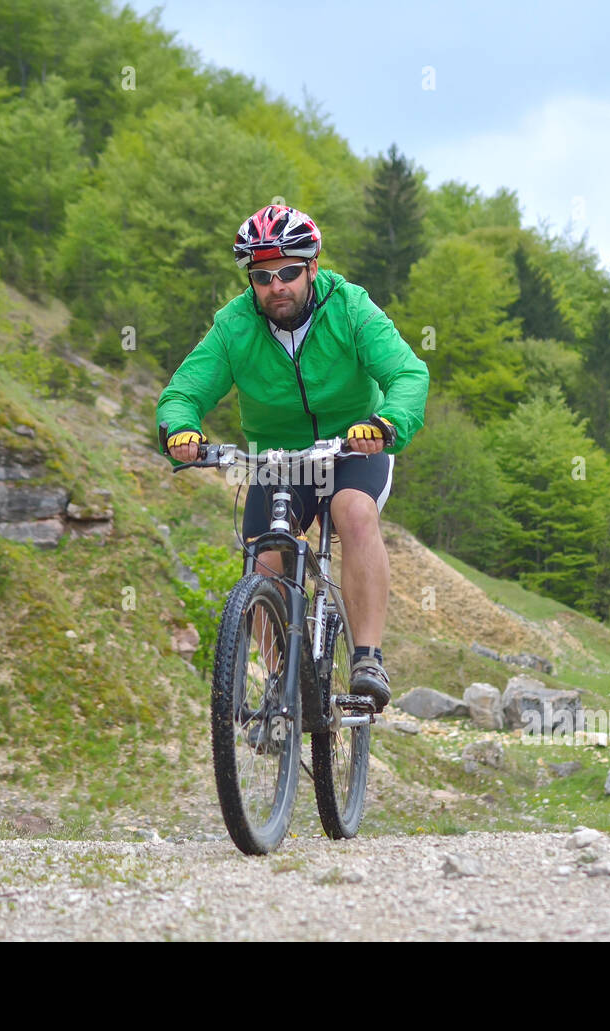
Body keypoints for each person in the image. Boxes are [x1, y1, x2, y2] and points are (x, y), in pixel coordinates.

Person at [156, 204, 429, 710]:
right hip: (278, 458)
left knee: (353, 512)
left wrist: (387, 423)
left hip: (353, 445)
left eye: (287, 272)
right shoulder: (233, 327)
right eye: (262, 276)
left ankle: (367, 657)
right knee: (262, 562)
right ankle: (285, 686)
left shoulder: (349, 307)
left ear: (312, 268)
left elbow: (408, 374)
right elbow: (183, 393)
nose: (275, 285)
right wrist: (181, 429)